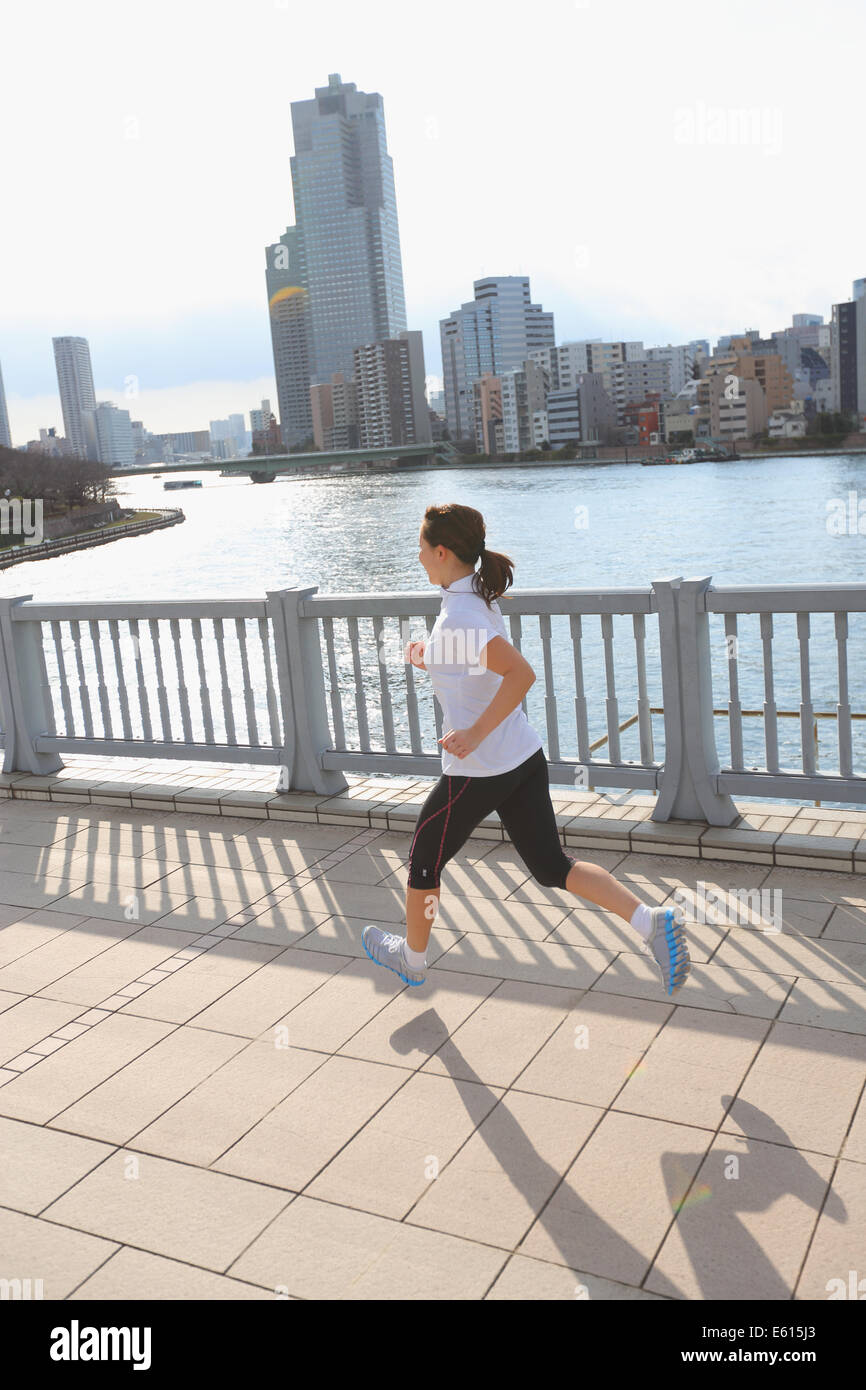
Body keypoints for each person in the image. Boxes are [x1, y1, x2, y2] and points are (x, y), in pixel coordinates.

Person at [362, 502, 690, 996]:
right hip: (521, 759)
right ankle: (650, 921)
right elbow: (473, 658)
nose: (419, 557)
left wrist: (473, 735)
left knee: (423, 860)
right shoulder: (472, 594)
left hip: (480, 768)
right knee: (551, 865)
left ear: (443, 551)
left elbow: (520, 674)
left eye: (423, 549)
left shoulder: (462, 613)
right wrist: (426, 656)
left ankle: (411, 958)